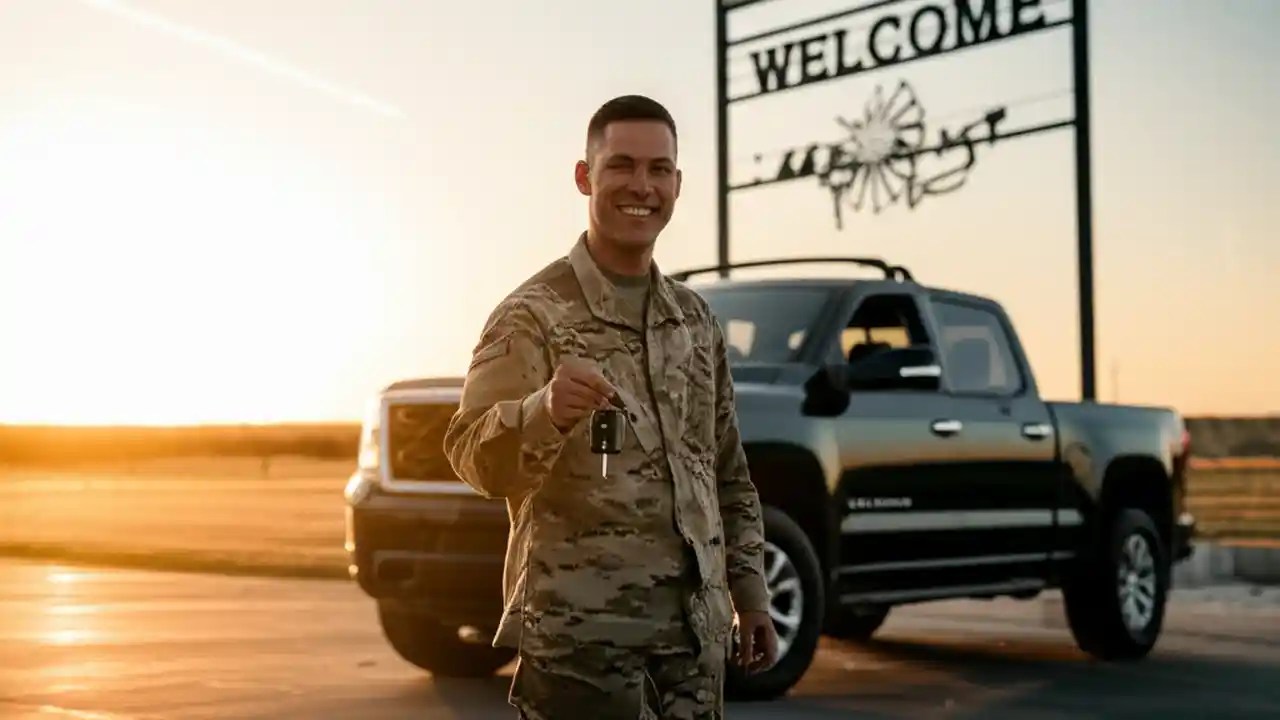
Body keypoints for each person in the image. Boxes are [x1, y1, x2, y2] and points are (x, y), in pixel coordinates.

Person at [444, 94, 778, 719]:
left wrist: (750, 593)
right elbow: (473, 458)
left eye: (659, 170)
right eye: (621, 165)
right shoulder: (531, 316)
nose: (641, 186)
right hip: (583, 655)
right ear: (585, 176)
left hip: (694, 650)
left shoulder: (695, 321)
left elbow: (728, 473)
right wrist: (543, 412)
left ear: (677, 184)